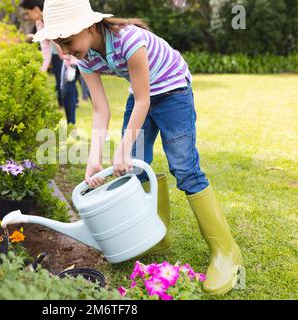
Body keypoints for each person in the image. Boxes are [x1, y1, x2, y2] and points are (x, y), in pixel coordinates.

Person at [33, 0, 243, 295]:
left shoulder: (128, 39)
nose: (65, 51)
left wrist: (123, 146)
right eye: (59, 44)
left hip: (172, 91)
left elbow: (144, 100)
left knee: (184, 168)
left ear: (89, 26)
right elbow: (99, 109)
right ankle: (157, 235)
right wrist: (93, 159)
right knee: (133, 167)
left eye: (67, 41)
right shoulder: (85, 57)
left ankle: (226, 252)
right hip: (142, 94)